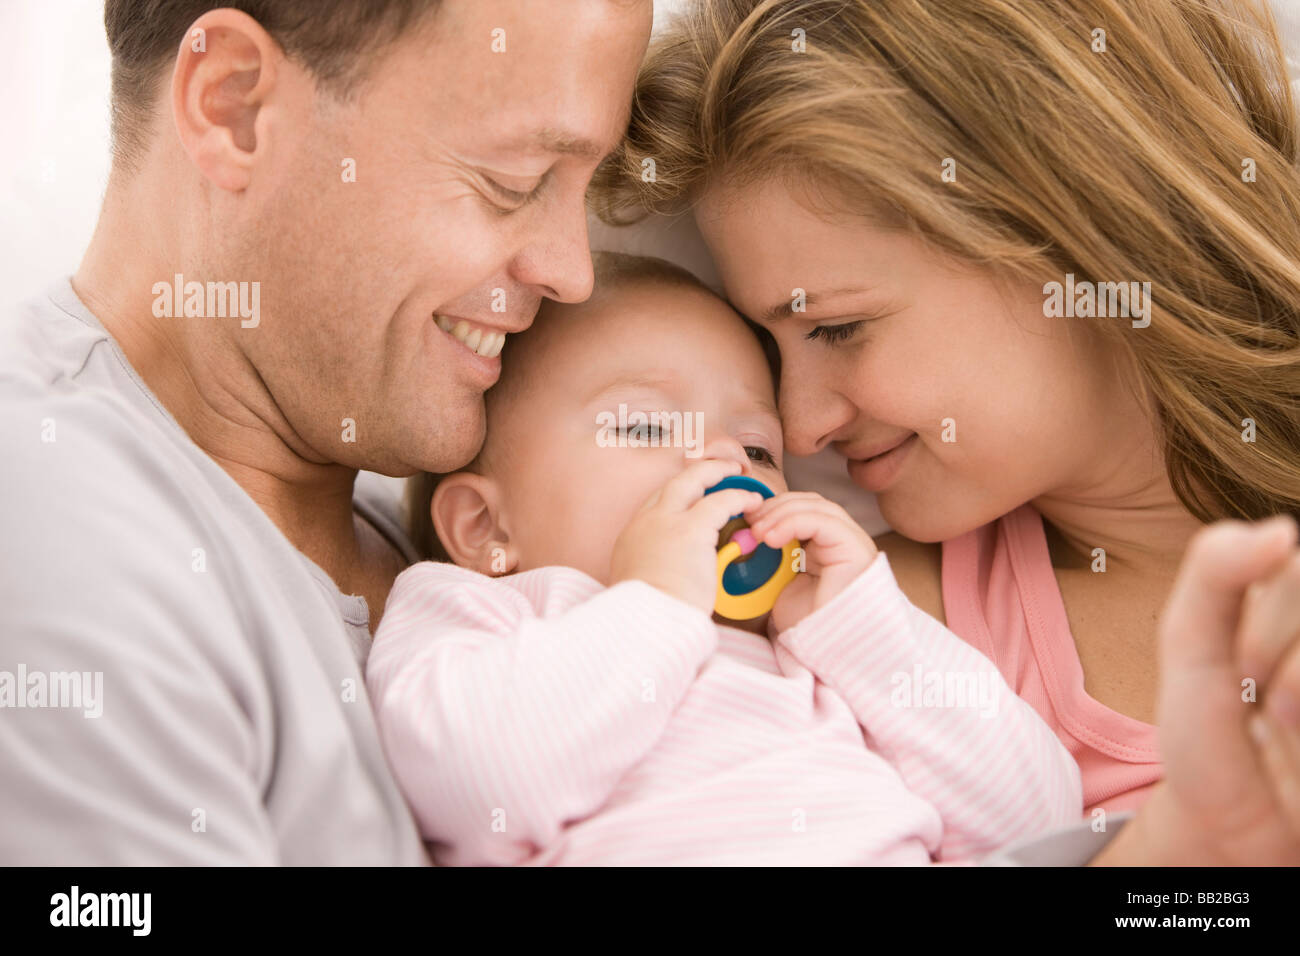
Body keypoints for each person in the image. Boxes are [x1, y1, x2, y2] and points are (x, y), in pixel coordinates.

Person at [592, 0, 1300, 864]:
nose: (804, 432)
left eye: (837, 329)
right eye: (777, 361)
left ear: (1069, 232)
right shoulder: (876, 638)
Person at [0, 0, 652, 864]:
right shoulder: (52, 530)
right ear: (232, 106)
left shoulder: (464, 516)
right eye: (516, 181)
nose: (573, 271)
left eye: (587, 189)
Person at [367, 253, 1082, 865]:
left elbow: (1038, 819)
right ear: (484, 526)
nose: (721, 459)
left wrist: (870, 631)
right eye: (645, 424)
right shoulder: (480, 616)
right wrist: (652, 608)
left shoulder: (812, 654)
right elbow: (471, 785)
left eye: (759, 450)